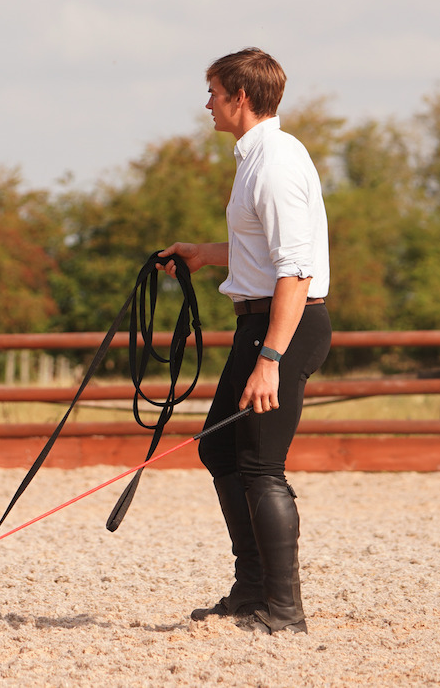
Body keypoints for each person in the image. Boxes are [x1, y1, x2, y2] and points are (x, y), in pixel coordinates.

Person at [158, 47, 331, 635]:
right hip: (262, 322)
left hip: (286, 327)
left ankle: (283, 612)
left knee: (260, 465)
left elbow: (297, 270)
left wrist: (272, 360)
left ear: (241, 97)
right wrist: (203, 255)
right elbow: (264, 253)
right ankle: (253, 589)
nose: (206, 103)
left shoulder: (276, 162)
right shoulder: (257, 159)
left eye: (213, 92)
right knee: (220, 449)